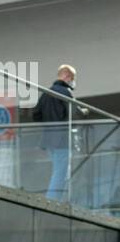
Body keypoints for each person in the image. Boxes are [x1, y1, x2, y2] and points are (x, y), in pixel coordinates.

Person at [33, 64, 76, 202]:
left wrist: (49, 123)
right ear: (67, 76)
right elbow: (72, 116)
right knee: (61, 172)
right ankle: (53, 201)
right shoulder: (67, 93)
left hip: (48, 139)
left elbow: (36, 115)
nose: (72, 82)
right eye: (72, 78)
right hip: (63, 139)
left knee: (58, 169)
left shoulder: (46, 93)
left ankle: (56, 199)